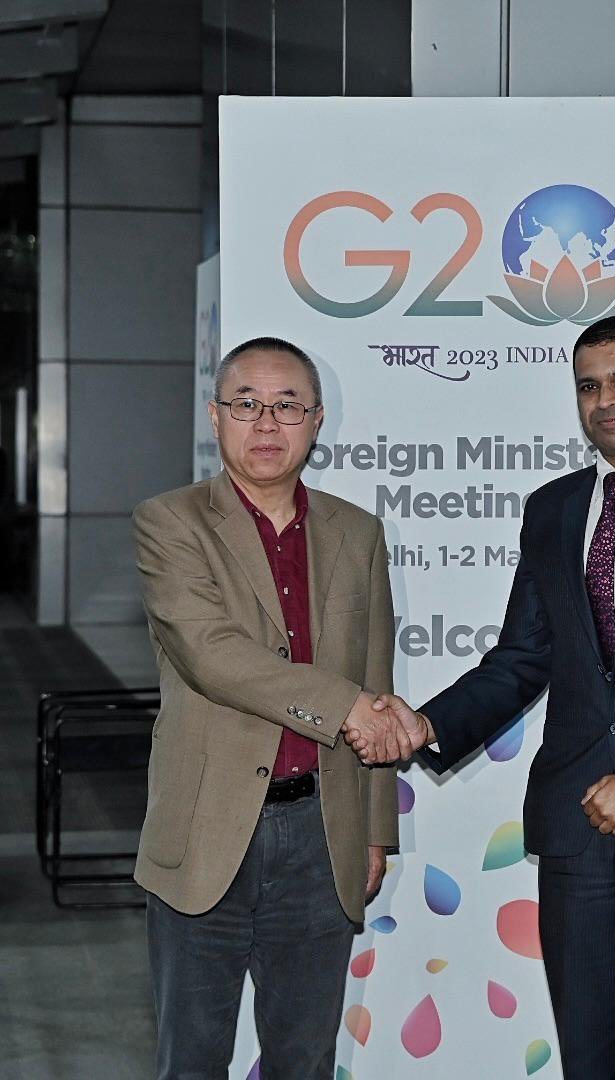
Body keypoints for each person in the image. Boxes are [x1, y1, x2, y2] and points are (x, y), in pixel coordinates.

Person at [348, 316, 615, 1080]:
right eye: (588, 385)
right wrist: (425, 723)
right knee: (587, 1047)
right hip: (574, 826)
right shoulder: (551, 509)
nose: (606, 400)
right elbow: (523, 657)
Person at [133, 336, 407, 1080]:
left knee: (306, 1060)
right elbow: (210, 652)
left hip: (323, 836)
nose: (266, 423)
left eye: (287, 405)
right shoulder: (171, 522)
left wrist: (375, 830)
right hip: (205, 833)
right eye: (246, 404)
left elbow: (374, 672)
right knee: (190, 1062)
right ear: (214, 417)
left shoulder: (358, 532)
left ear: (316, 421)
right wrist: (349, 706)